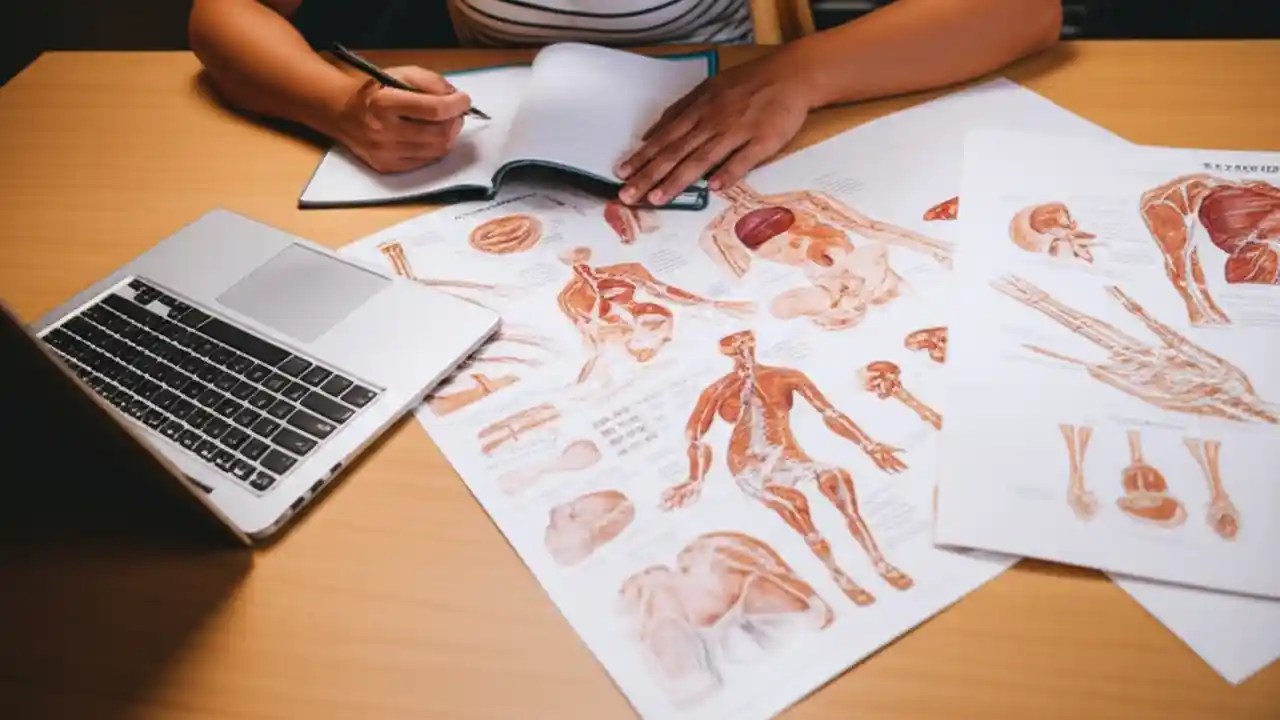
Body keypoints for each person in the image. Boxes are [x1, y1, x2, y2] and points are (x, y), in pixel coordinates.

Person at [189, 0, 1061, 201]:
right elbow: (222, 14)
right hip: (492, 143)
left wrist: (800, 73)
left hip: (724, 104)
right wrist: (340, 103)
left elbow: (1023, 9)